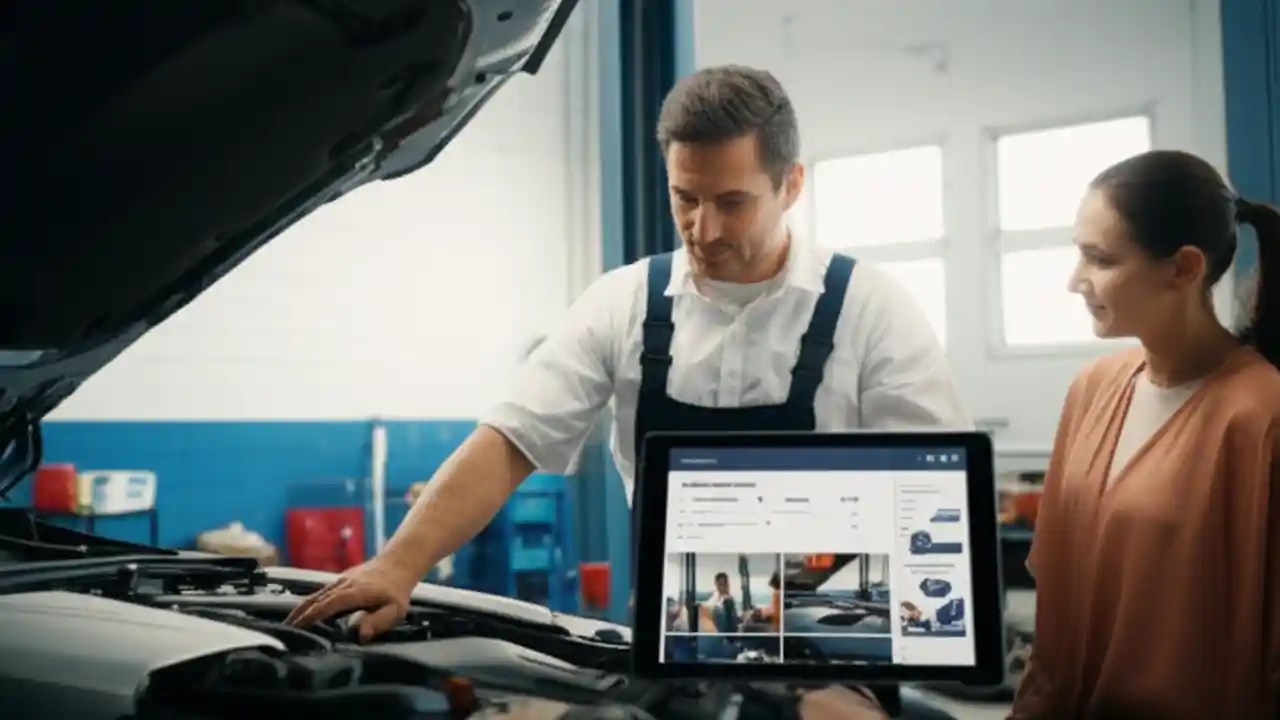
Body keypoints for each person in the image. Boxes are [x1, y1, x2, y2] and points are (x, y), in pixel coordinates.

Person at [284, 64, 968, 651]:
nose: (704, 229)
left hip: (840, 632)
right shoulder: (623, 303)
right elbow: (510, 440)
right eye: (685, 198)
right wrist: (399, 566)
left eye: (733, 202)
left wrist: (877, 652)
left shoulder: (872, 310)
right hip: (679, 633)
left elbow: (935, 507)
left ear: (791, 184)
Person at [1009, 150, 1280, 719]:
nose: (1074, 281)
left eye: (1099, 259)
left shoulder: (1262, 415)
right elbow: (1058, 607)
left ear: (1182, 269)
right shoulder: (1094, 388)